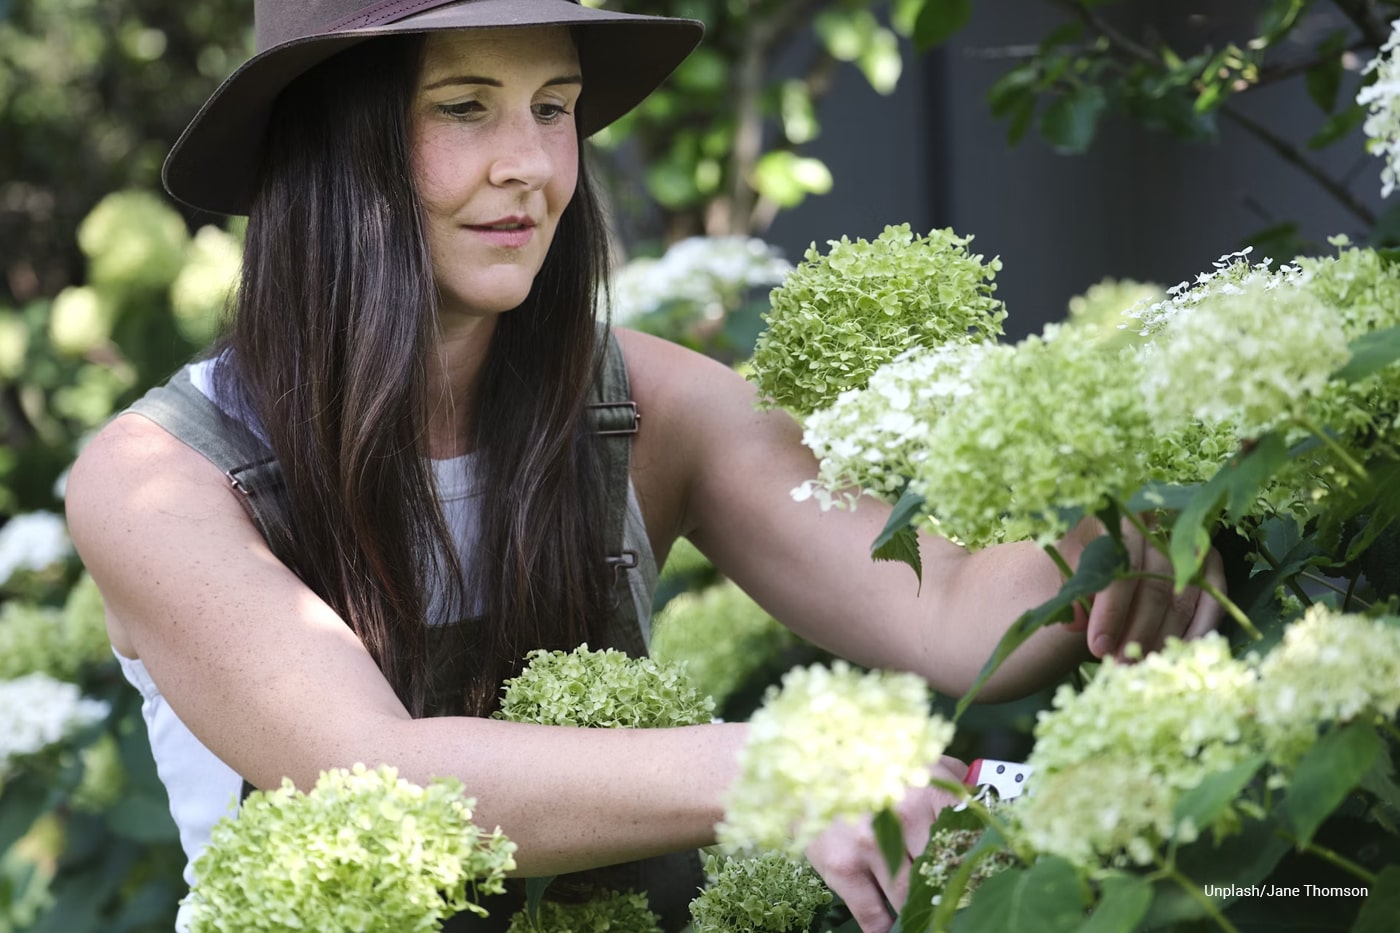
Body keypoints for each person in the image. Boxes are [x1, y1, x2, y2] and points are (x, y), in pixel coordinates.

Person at [64, 1, 1224, 931]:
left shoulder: (649, 402)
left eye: (553, 107)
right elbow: (376, 777)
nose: (530, 165)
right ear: (330, 141)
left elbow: (961, 613)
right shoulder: (160, 482)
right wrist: (792, 764)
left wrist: (1110, 529)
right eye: (465, 107)